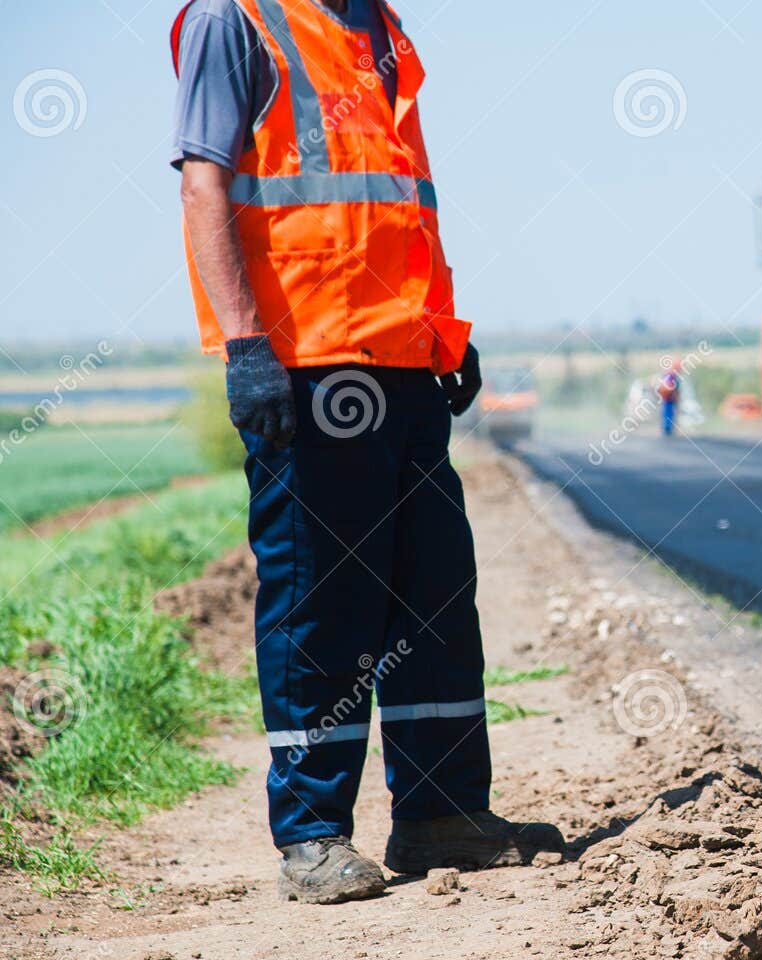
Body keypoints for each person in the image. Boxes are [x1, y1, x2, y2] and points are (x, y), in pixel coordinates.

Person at [171, 0, 562, 905]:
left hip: (404, 364)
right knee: (321, 600)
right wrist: (245, 346)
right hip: (305, 367)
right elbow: (204, 185)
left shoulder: (379, 32)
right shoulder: (239, 21)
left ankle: (440, 814)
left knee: (433, 592)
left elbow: (398, 206)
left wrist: (443, 333)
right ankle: (311, 835)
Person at [657, 362, 682, 436]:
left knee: (668, 413)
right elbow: (669, 388)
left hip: (669, 399)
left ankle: (668, 429)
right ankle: (667, 429)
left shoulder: (670, 375)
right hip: (668, 399)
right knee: (668, 414)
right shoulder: (670, 376)